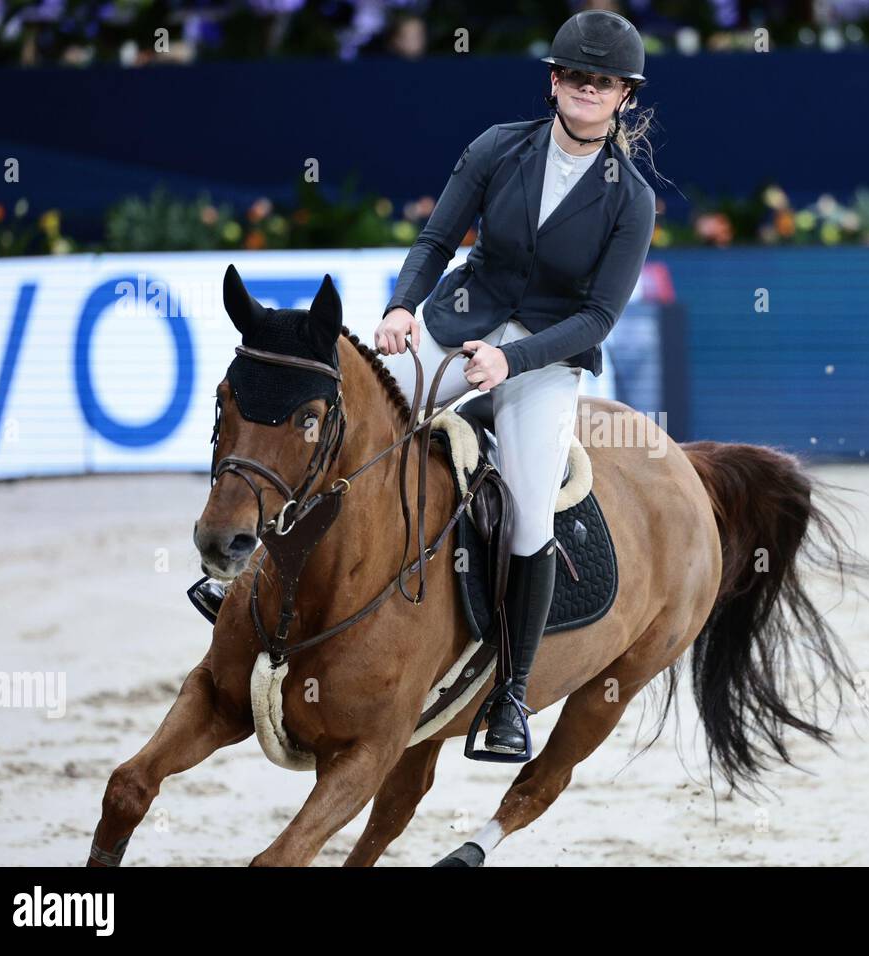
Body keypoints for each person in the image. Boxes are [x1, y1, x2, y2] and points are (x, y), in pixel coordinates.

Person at [373, 9, 656, 757]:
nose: (586, 89)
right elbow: (438, 239)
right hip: (464, 309)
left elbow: (598, 317)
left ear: (623, 95)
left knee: (532, 511)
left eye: (603, 82)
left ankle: (511, 697)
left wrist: (513, 362)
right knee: (360, 413)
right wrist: (401, 307)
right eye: (574, 76)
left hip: (546, 350)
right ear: (554, 81)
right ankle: (252, 576)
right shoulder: (499, 148)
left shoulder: (631, 199)